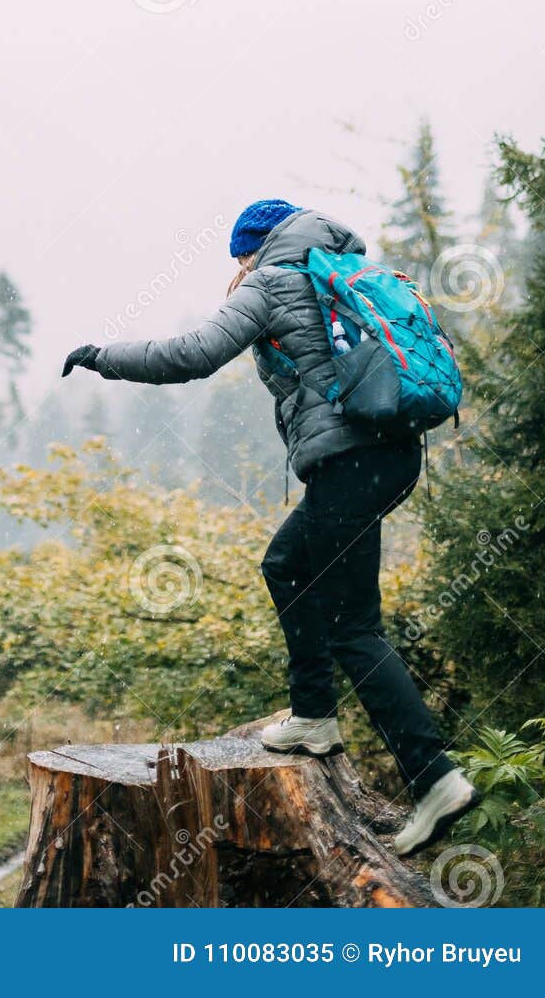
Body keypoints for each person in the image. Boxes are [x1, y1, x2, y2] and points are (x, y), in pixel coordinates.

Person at [61, 198, 477, 857]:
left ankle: (434, 779)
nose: (234, 268)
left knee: (355, 626)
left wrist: (103, 356)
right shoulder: (333, 272)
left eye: (235, 258)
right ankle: (313, 715)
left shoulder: (273, 280)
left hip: (351, 461)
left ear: (249, 250)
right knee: (284, 563)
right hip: (386, 453)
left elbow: (193, 353)